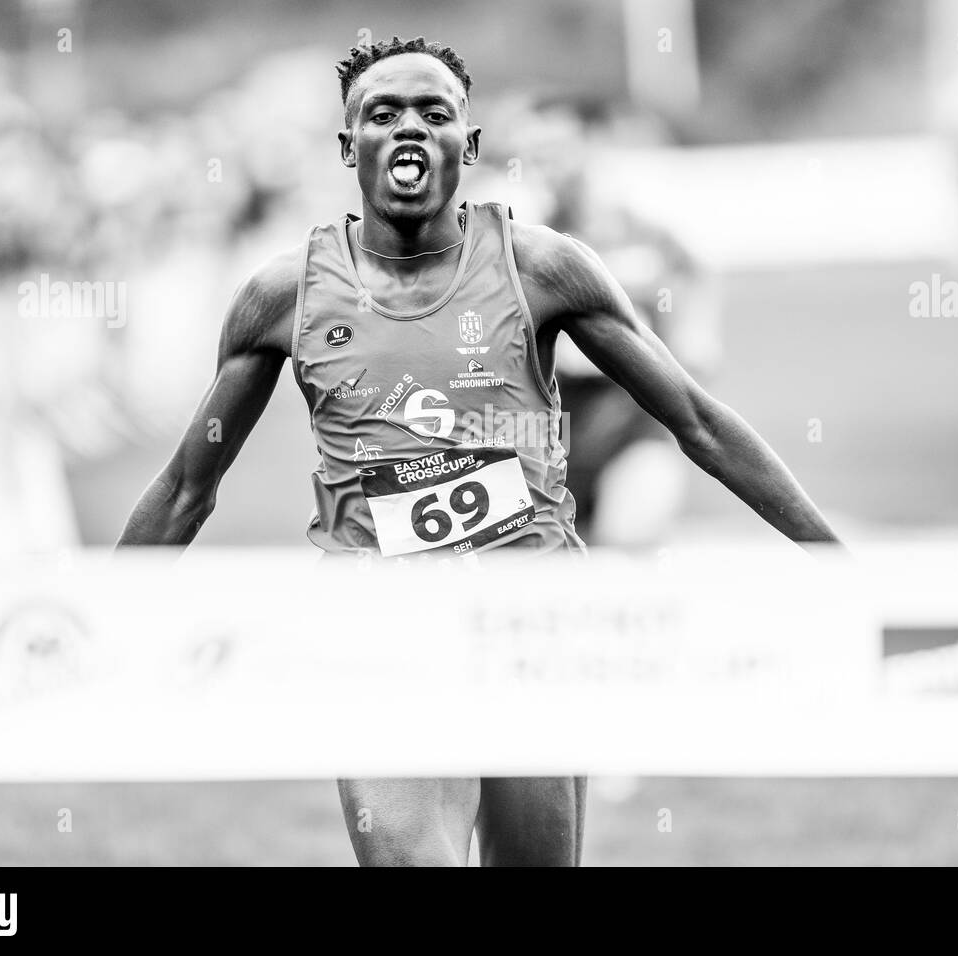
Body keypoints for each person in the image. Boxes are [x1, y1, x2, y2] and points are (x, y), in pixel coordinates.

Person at [118, 36, 843, 866]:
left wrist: (841, 568)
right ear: (347, 145)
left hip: (529, 625)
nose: (410, 129)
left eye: (436, 113)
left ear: (471, 143)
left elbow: (698, 423)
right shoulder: (282, 297)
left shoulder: (544, 270)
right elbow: (185, 487)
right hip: (375, 633)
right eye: (382, 114)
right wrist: (95, 633)